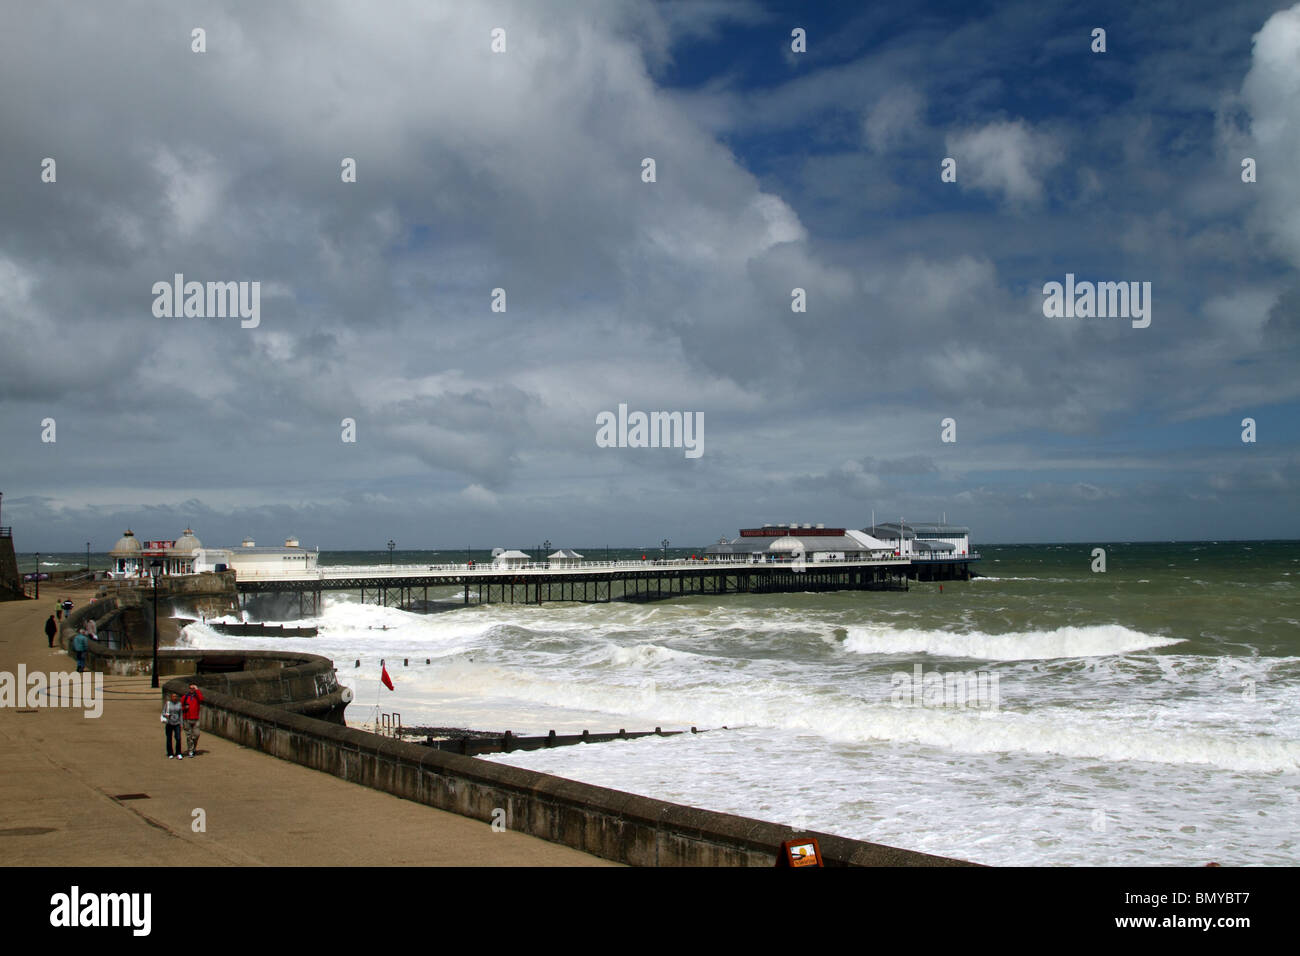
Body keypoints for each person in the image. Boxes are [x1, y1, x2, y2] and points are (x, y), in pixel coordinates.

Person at [181, 683, 204, 757]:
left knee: (197, 734)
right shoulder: (185, 697)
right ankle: (190, 750)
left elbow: (201, 699)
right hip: (187, 719)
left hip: (195, 719)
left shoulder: (197, 697)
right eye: (190, 688)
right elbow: (180, 707)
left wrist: (197, 690)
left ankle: (193, 748)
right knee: (189, 736)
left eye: (193, 688)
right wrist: (185, 708)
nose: (192, 689)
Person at [162, 693, 184, 759]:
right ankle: (170, 753)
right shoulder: (168, 703)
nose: (175, 697)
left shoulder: (179, 704)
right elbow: (163, 712)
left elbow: (181, 714)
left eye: (176, 696)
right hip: (169, 723)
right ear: (171, 697)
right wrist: (166, 715)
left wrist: (181, 724)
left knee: (178, 738)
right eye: (173, 696)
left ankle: (178, 753)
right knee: (169, 738)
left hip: (177, 723)